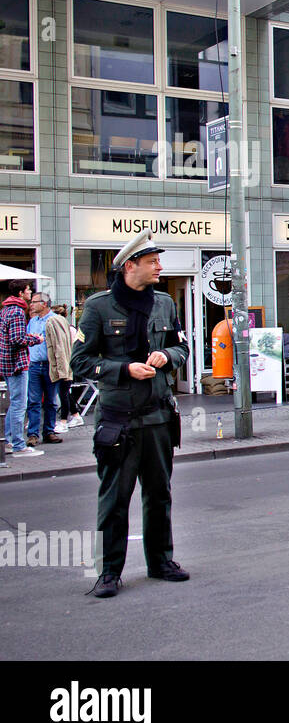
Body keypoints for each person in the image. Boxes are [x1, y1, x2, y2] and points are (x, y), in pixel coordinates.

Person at [71, 232, 191, 598]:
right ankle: (109, 572)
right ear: (130, 266)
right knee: (114, 498)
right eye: (153, 260)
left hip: (157, 417)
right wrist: (124, 370)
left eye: (158, 260)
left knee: (159, 495)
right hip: (118, 420)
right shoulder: (98, 308)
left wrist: (166, 357)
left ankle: (161, 561)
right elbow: (80, 363)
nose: (160, 266)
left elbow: (181, 346)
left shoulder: (164, 303)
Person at [1, 280, 44, 457]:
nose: (30, 294)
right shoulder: (18, 311)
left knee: (14, 403)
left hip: (6, 363)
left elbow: (12, 336)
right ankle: (18, 444)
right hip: (17, 363)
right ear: (20, 293)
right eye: (28, 290)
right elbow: (17, 339)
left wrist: (27, 335)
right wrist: (36, 340)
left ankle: (10, 440)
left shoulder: (5, 309)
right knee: (20, 405)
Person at [24, 292, 63, 447]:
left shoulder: (55, 320)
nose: (31, 305)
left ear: (44, 303)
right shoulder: (33, 321)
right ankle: (33, 434)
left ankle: (49, 431)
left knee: (51, 400)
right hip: (34, 365)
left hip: (49, 364)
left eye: (34, 302)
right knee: (33, 401)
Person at [50, 304, 83, 432]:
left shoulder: (69, 329)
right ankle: (75, 415)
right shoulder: (68, 329)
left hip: (67, 363)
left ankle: (64, 420)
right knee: (64, 392)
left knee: (63, 392)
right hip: (65, 363)